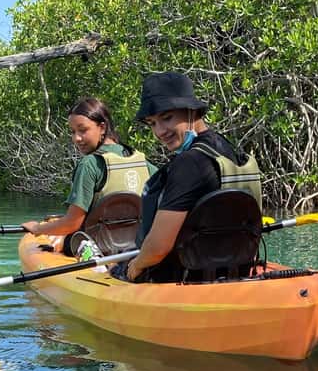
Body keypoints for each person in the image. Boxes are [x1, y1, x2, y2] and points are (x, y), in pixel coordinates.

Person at [123, 72, 262, 283]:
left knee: (119, 268)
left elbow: (158, 248)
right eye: (152, 123)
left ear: (191, 111)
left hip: (184, 279)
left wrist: (136, 265)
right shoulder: (223, 147)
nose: (160, 131)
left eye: (167, 118)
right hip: (233, 270)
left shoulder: (189, 164)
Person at [22, 98, 154, 254]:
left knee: (64, 239)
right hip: (138, 246)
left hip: (99, 248)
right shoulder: (141, 160)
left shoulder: (89, 164)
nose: (76, 138)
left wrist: (38, 228)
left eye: (83, 130)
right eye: (73, 132)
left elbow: (72, 224)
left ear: (102, 127)